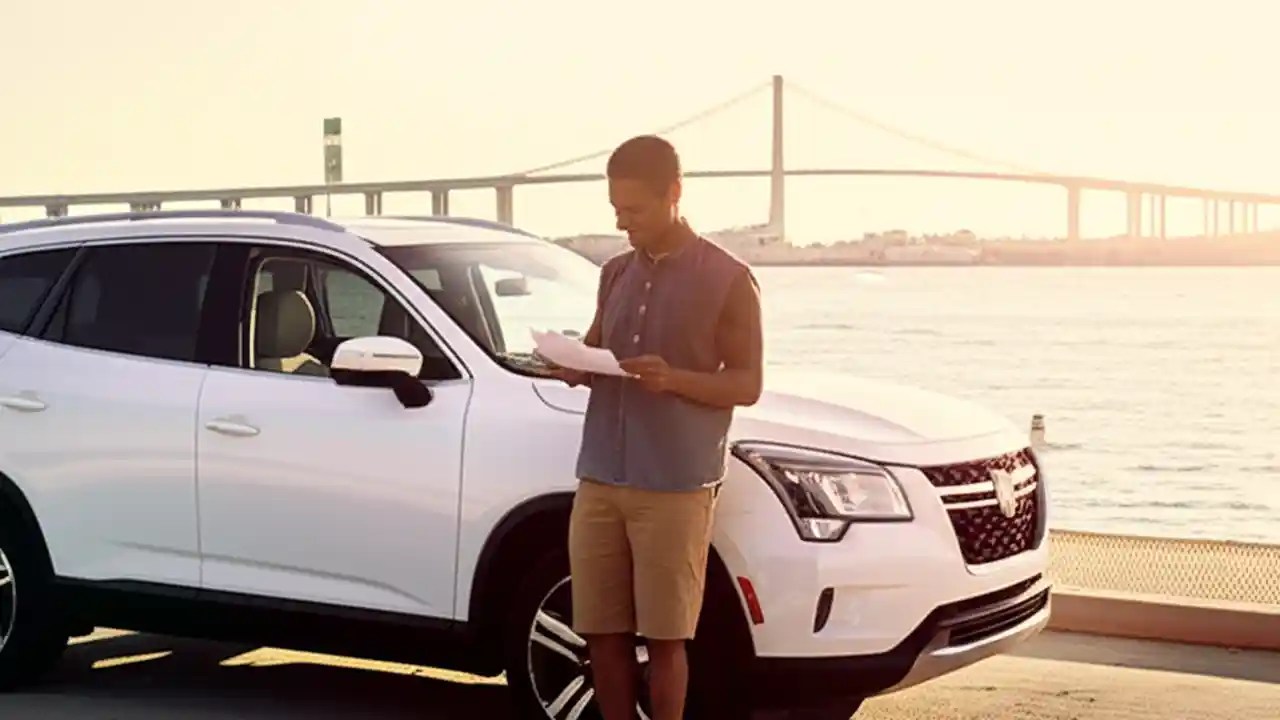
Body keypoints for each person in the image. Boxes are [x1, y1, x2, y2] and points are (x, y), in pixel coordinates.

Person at [546, 135, 764, 720]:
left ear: (674, 194)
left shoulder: (729, 279)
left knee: (667, 640)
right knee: (600, 632)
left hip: (674, 486)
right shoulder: (614, 273)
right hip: (599, 477)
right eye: (616, 209)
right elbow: (598, 352)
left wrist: (674, 380)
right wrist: (572, 365)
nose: (623, 223)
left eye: (634, 210)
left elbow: (746, 384)